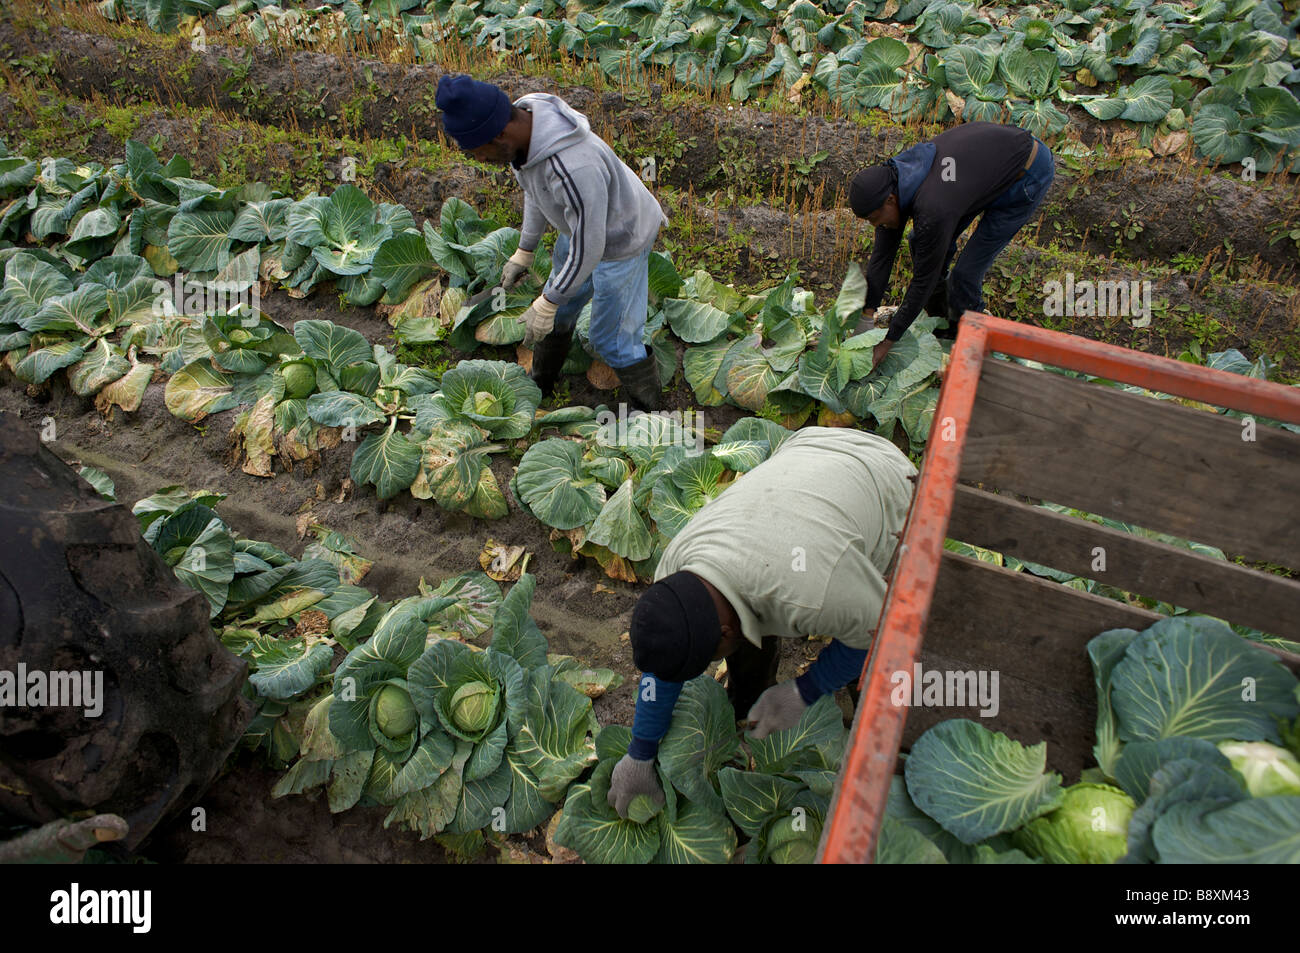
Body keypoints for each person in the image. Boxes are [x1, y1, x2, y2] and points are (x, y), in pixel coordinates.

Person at [607, 427, 916, 819]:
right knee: (752, 634)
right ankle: (750, 699)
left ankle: (870, 741)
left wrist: (807, 690)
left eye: (708, 658)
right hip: (805, 454)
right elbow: (663, 671)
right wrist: (640, 752)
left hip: (887, 480)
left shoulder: (812, 588)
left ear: (726, 632)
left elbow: (886, 631)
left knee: (872, 661)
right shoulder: (676, 567)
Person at [435, 75, 668, 411]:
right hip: (583, 230)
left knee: (611, 339)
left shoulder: (574, 167)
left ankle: (650, 410)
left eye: (478, 152)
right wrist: (524, 251)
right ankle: (541, 385)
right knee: (558, 313)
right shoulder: (524, 135)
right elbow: (537, 191)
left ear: (499, 134)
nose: (479, 161)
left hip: (621, 238)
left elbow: (591, 247)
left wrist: (548, 299)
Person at [848, 121, 1055, 370]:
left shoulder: (933, 206)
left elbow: (923, 279)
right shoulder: (896, 177)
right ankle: (942, 322)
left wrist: (888, 342)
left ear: (890, 200)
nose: (874, 225)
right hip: (977, 172)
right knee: (919, 240)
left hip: (1025, 174)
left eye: (873, 219)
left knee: (965, 275)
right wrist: (866, 318)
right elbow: (882, 257)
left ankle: (974, 343)